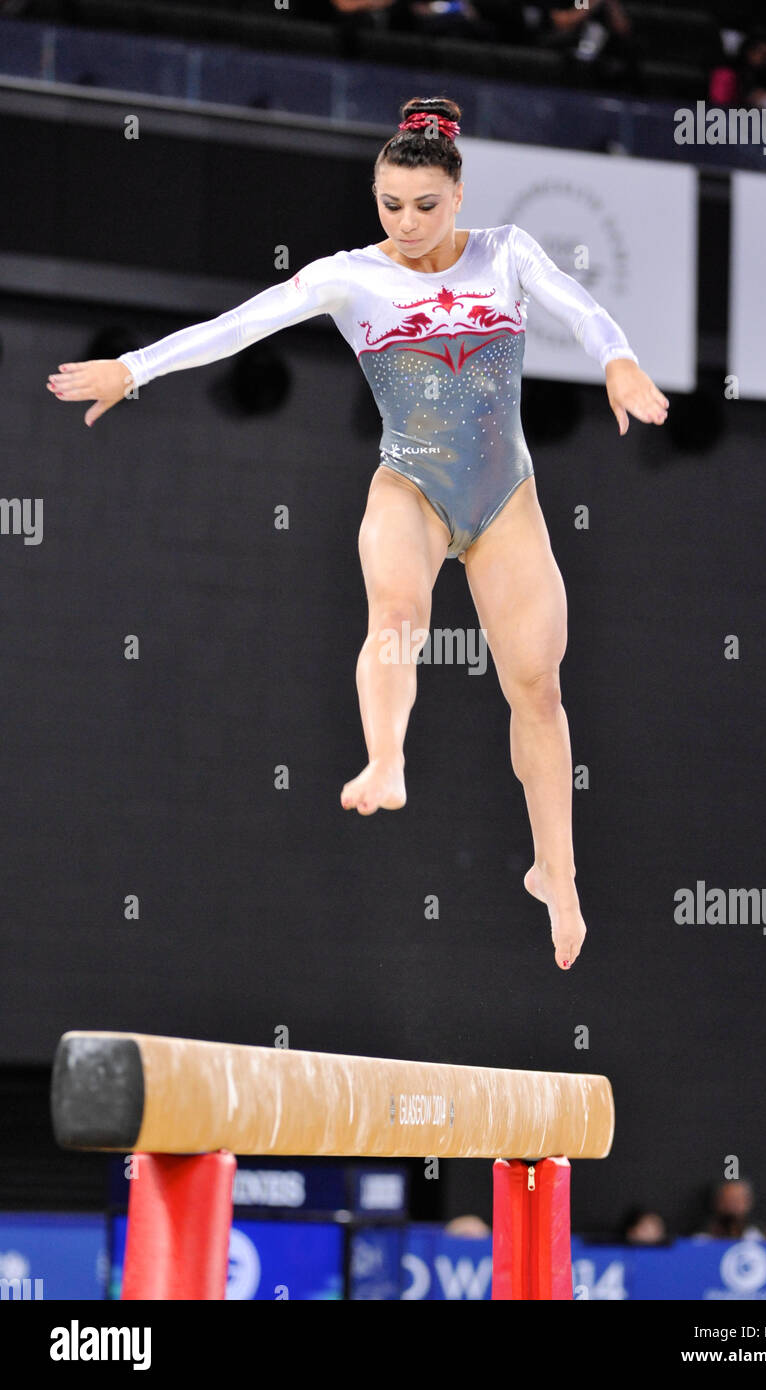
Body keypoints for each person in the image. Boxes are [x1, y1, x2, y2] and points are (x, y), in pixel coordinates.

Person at [45, 95, 668, 972]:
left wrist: (619, 360)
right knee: (398, 613)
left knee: (538, 690)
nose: (405, 223)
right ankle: (386, 762)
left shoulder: (507, 253)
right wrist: (134, 368)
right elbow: (238, 326)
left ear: (457, 195)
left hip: (505, 501)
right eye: (388, 204)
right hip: (410, 484)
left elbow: (581, 310)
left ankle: (556, 874)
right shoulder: (349, 277)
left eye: (423, 205)